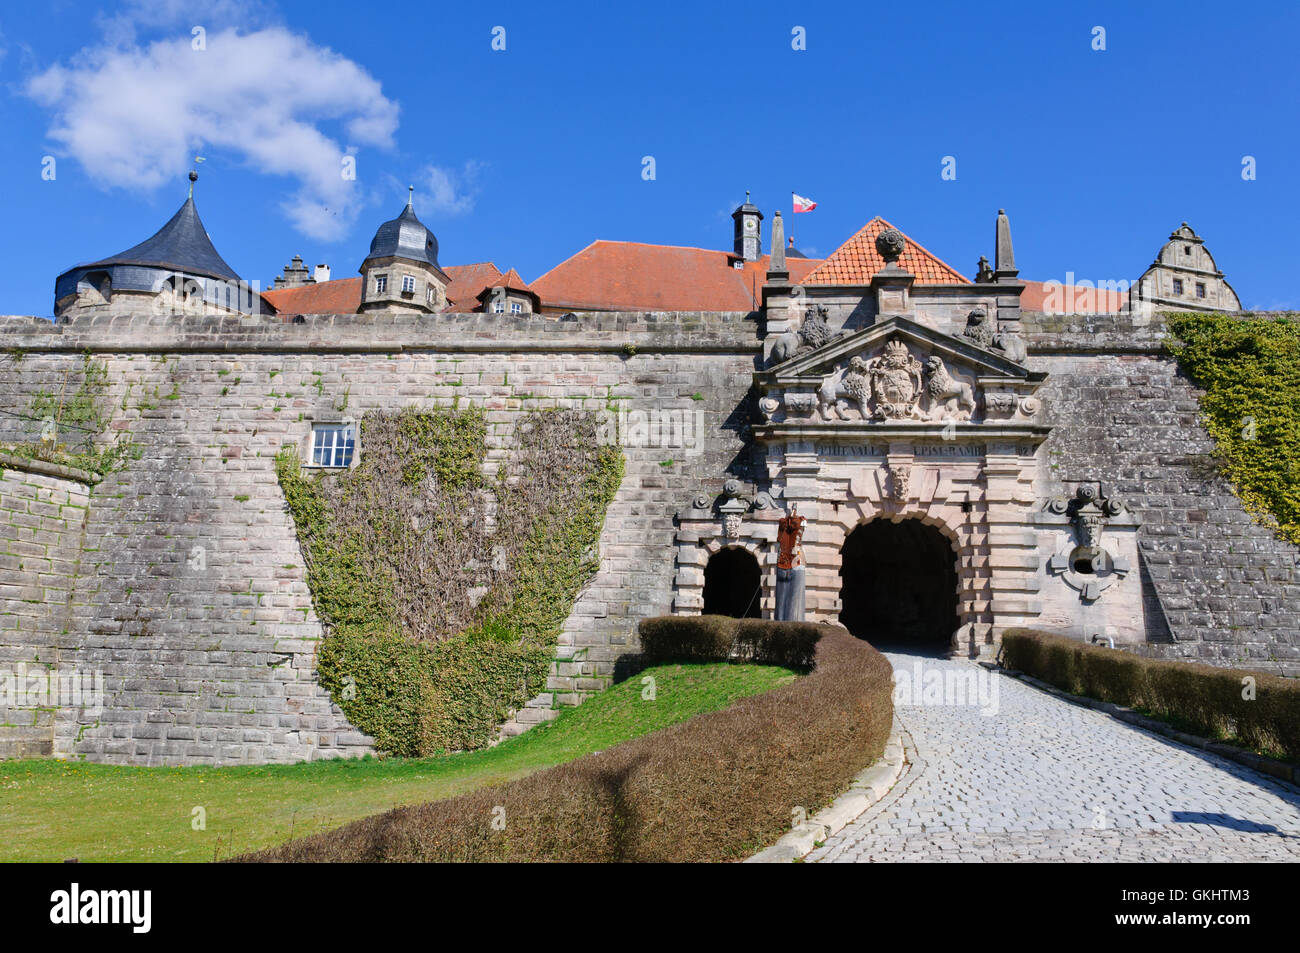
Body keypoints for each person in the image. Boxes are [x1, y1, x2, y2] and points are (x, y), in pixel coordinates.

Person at [775, 503, 807, 621]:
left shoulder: (783, 523)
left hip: (783, 559)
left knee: (784, 601)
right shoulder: (799, 522)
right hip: (793, 560)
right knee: (795, 601)